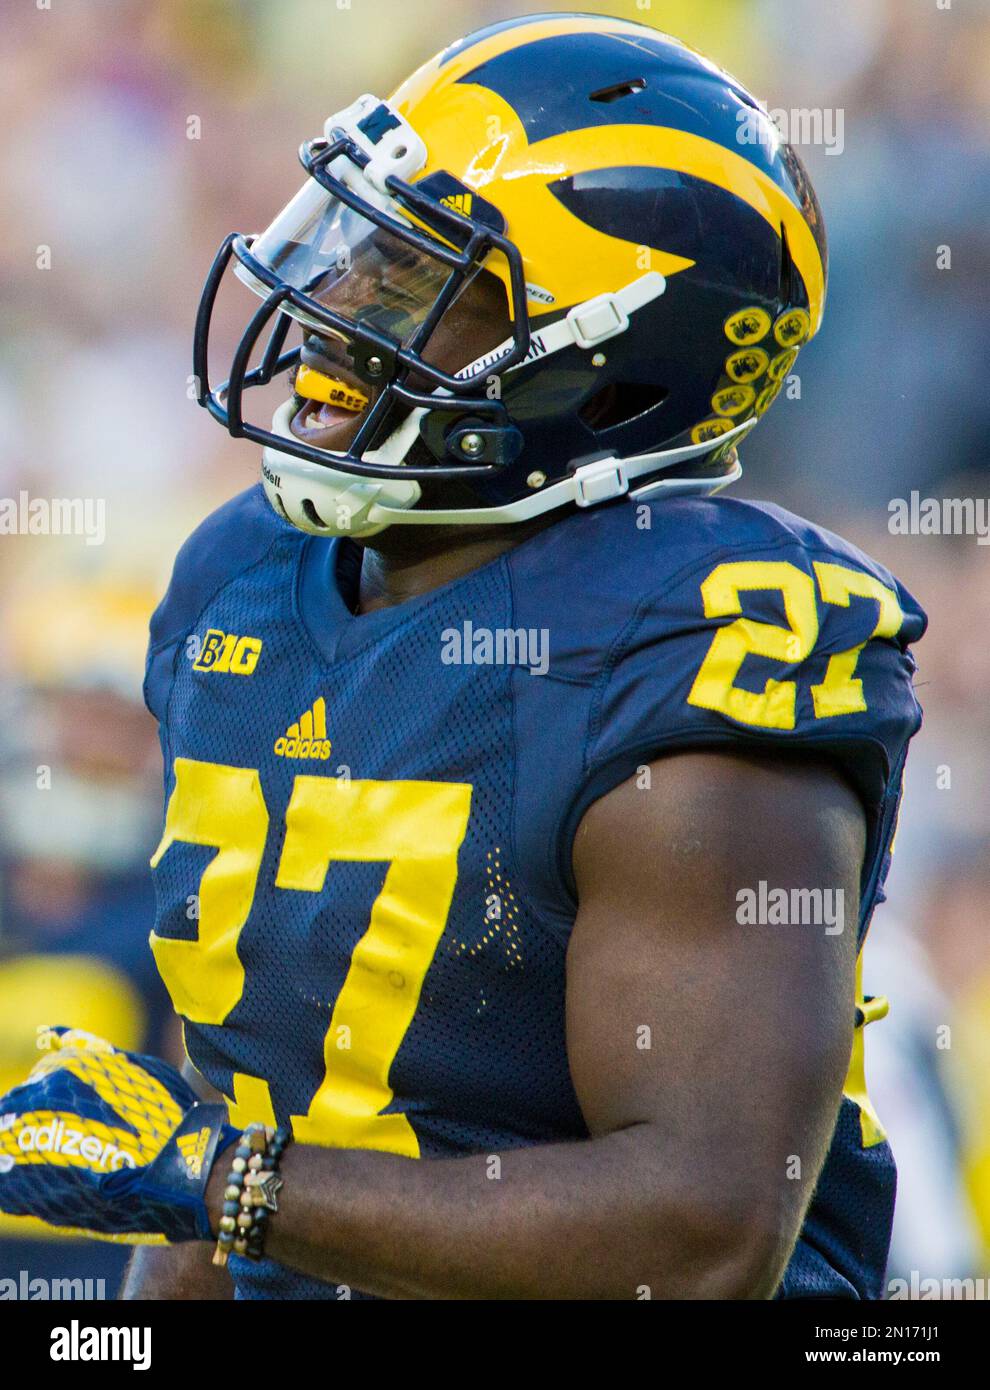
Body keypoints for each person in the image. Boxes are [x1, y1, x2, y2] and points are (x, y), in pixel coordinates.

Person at [0, 15, 926, 1301]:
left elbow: (704, 1234)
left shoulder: (695, 639)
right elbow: (244, 1103)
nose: (329, 308)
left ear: (605, 376)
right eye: (356, 246)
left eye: (414, 280)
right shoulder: (244, 574)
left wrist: (223, 1179)